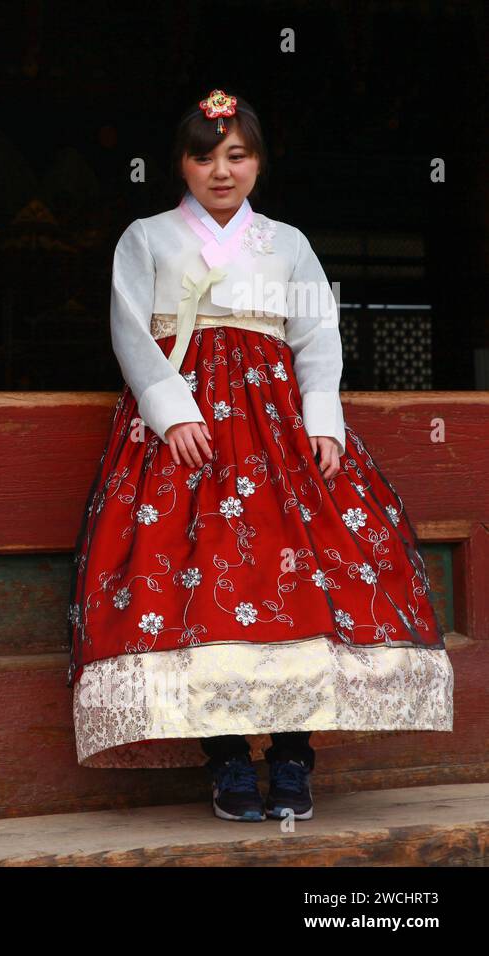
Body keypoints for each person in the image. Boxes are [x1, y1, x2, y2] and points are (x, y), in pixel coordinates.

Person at [65, 89, 454, 822]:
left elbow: (317, 339)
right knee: (198, 574)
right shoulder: (146, 238)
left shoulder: (289, 243)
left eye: (237, 156)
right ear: (180, 163)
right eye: (204, 156)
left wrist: (325, 422)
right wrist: (173, 411)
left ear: (258, 163)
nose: (221, 171)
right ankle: (227, 762)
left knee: (295, 572)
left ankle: (294, 755)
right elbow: (129, 332)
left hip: (278, 434)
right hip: (188, 434)